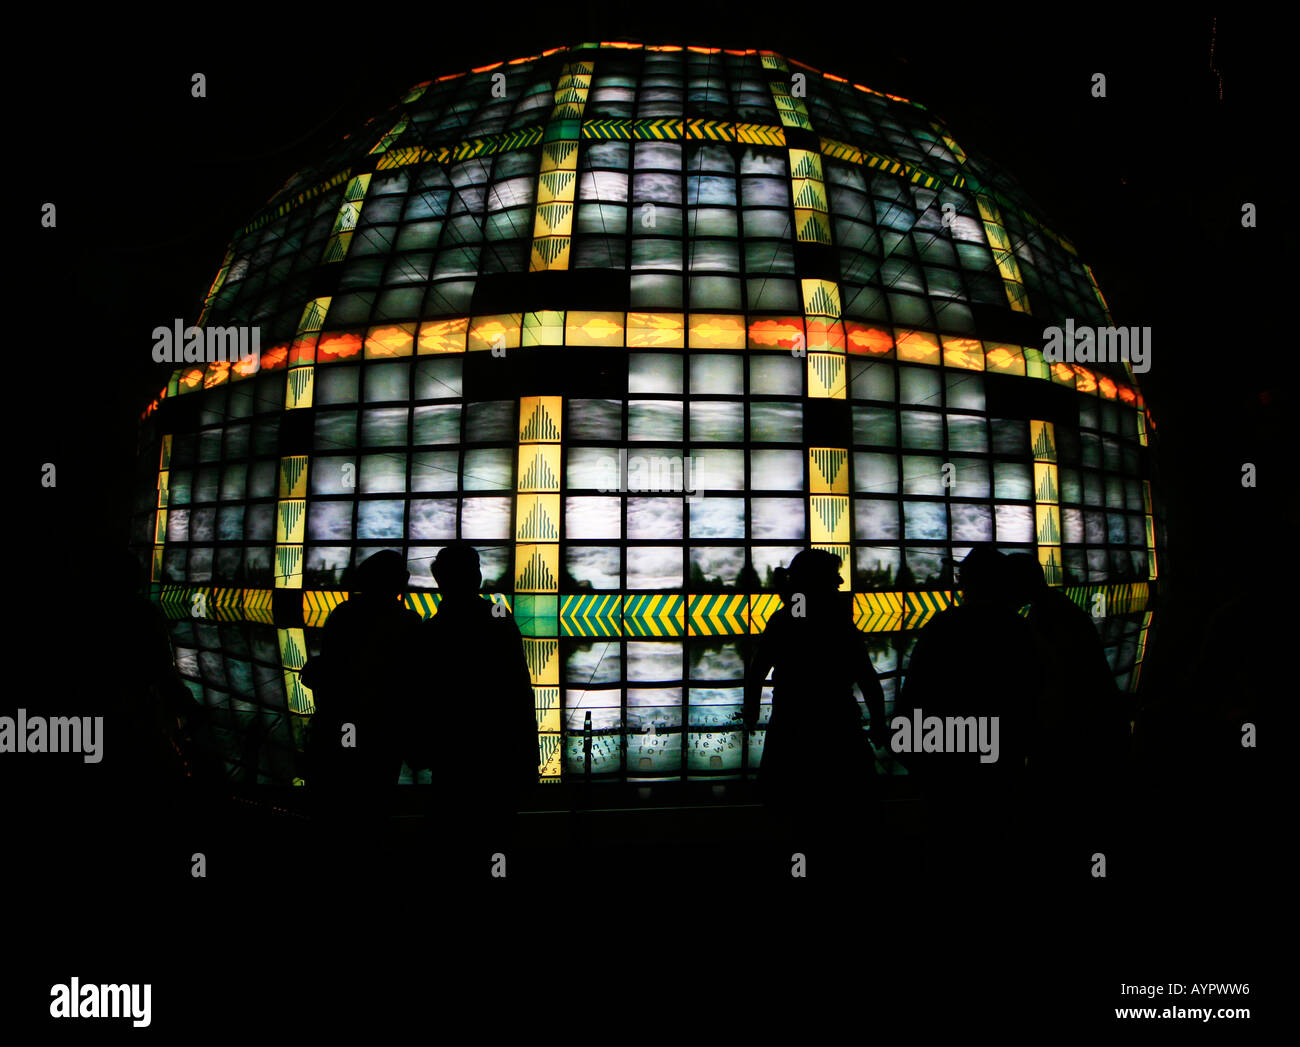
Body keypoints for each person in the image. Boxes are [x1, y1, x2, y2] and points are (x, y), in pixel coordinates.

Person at [893, 546, 1041, 880]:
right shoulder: (1017, 629)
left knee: (946, 846)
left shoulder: (945, 626)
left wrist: (912, 751)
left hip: (946, 758)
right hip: (998, 760)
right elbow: (1029, 696)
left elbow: (916, 692)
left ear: (966, 582)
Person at [743, 549, 888, 860]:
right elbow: (866, 678)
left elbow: (757, 671)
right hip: (838, 728)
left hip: (790, 728)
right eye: (833, 577)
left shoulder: (784, 621)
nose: (839, 581)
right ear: (821, 582)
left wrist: (752, 713)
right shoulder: (838, 623)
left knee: (791, 812)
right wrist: (878, 721)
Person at [416, 542, 537, 848]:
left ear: (439, 580)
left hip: (451, 749)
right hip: (497, 748)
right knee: (498, 827)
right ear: (476, 577)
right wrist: (527, 752)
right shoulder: (497, 619)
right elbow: (519, 688)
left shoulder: (432, 632)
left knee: (452, 828)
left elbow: (423, 698)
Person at [301, 550, 423, 845]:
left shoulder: (342, 614)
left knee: (337, 807)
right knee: (375, 803)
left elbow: (330, 671)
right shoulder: (407, 622)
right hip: (384, 732)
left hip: (340, 724)